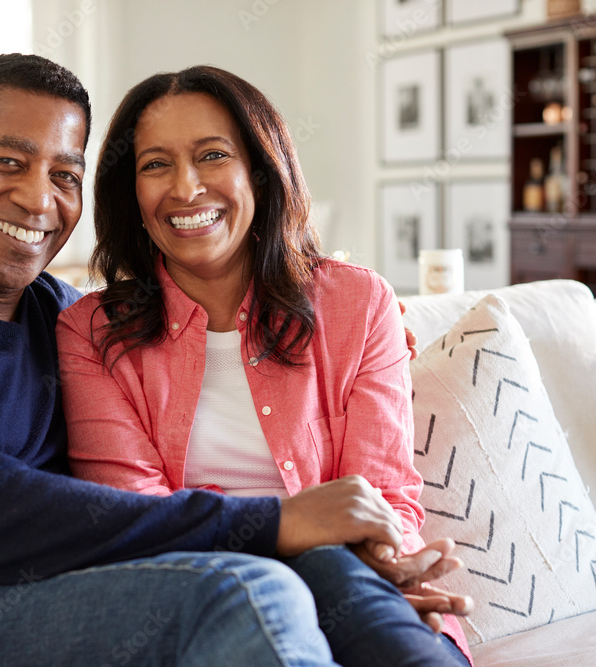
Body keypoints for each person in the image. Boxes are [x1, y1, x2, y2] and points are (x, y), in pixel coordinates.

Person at [0, 53, 457, 666]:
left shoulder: (57, 313)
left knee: (323, 581)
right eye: (8, 162)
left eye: (64, 175)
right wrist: (276, 523)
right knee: (246, 590)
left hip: (15, 576)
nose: (38, 198)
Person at [56, 66, 473, 665]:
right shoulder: (91, 333)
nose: (186, 188)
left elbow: (381, 492)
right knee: (315, 570)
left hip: (355, 578)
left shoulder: (358, 303)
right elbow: (138, 518)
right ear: (131, 192)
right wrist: (288, 527)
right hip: (209, 597)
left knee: (341, 577)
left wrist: (390, 568)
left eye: (213, 155)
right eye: (155, 164)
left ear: (260, 168)